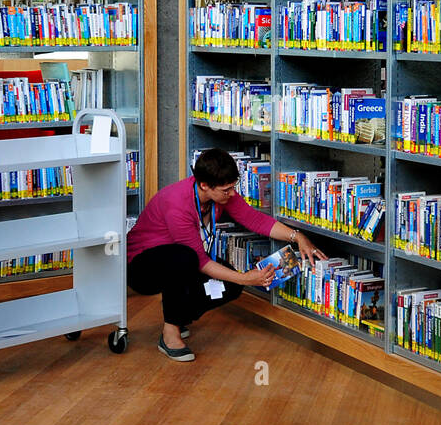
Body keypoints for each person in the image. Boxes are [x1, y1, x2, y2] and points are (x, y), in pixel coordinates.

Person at [126, 148, 326, 362]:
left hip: (180, 263)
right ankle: (170, 332)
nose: (232, 194)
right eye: (226, 190)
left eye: (233, 187)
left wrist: (298, 237)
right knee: (185, 258)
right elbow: (200, 262)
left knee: (231, 286)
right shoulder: (177, 204)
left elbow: (254, 219)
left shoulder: (219, 192)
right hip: (142, 267)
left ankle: (178, 314)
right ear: (204, 185)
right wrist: (248, 277)